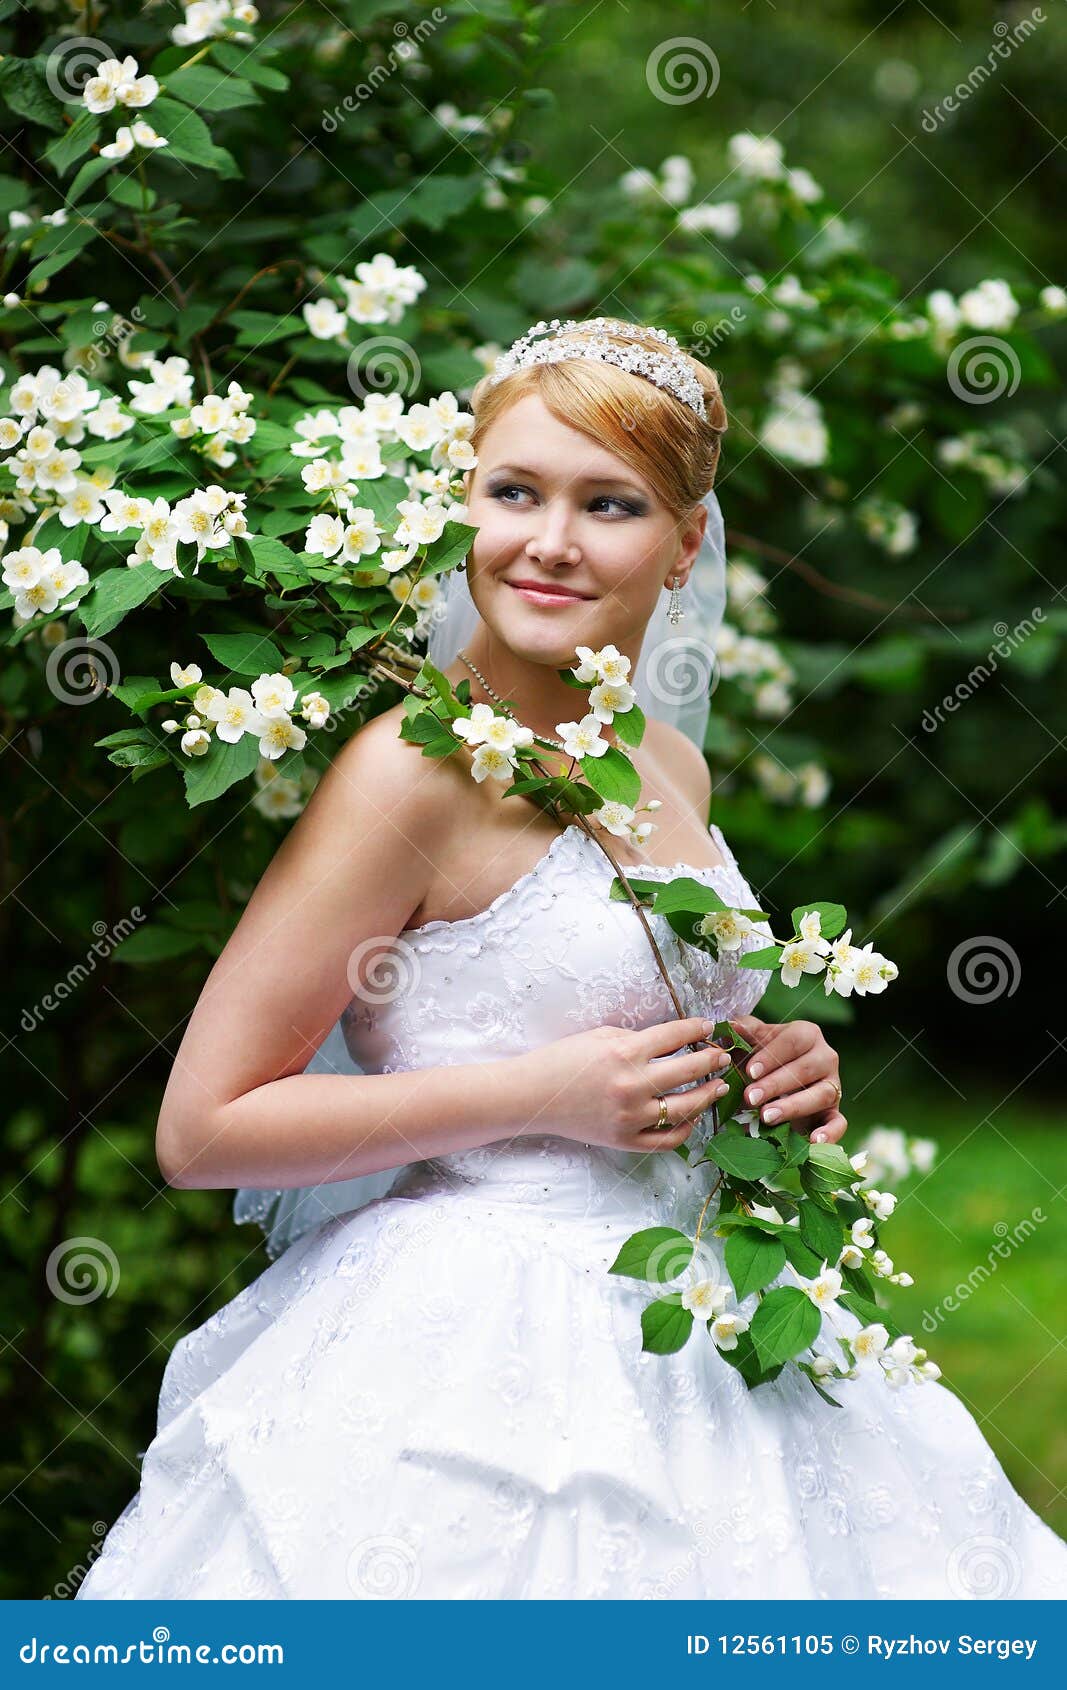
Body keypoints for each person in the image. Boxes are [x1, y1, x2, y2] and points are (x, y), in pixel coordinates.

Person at [76, 320, 1067, 1600]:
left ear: (683, 545)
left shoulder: (664, 758)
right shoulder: (412, 772)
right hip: (466, 1335)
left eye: (608, 505)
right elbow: (201, 1130)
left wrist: (766, 1063)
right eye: (513, 492)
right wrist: (537, 1096)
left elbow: (645, 1000)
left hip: (695, 1313)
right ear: (462, 503)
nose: (549, 542)